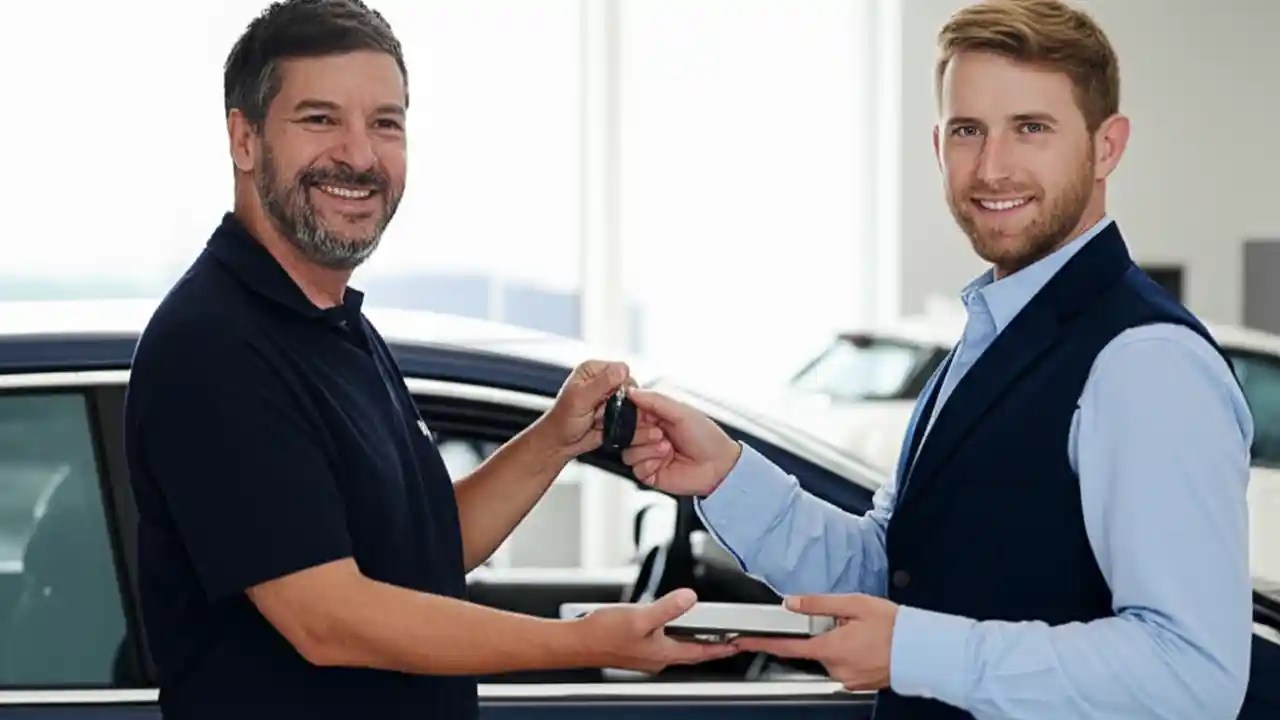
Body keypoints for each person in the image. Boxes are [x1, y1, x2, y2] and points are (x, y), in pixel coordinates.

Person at [620, 1, 1255, 718]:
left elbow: (1191, 676)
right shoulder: (988, 336)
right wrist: (728, 476)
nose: (991, 168)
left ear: (1107, 146)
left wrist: (914, 651)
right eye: (967, 131)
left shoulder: (1145, 362)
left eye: (1032, 129)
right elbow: (890, 574)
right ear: (938, 145)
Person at [122, 1, 734, 718]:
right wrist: (586, 641)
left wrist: (557, 438)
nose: (359, 155)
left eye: (385, 123)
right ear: (244, 138)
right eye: (320, 120)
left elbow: (424, 552)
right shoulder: (215, 346)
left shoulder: (334, 325)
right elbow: (327, 617)